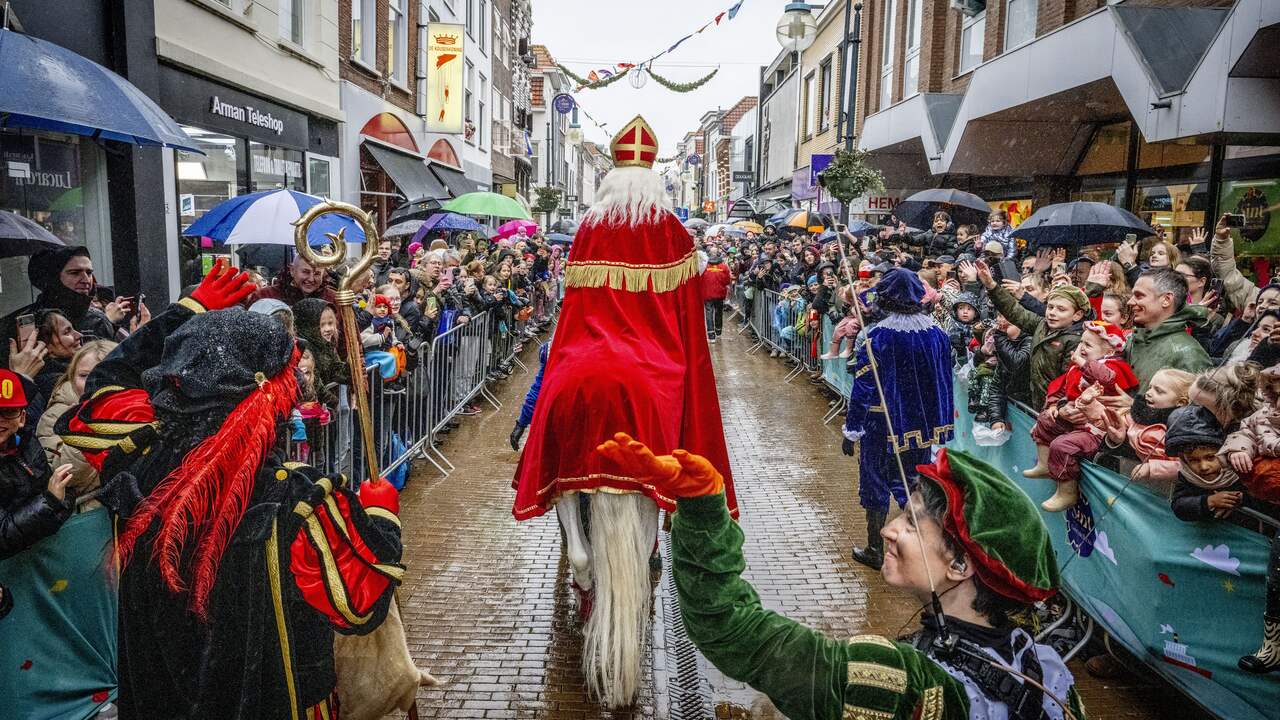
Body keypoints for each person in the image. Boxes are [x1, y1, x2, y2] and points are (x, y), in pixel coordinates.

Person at [56, 260, 406, 718]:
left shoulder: (137, 457)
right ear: (269, 394)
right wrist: (381, 515)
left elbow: (104, 385)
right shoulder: (300, 502)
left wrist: (186, 311)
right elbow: (360, 603)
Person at [596, 435, 1084, 720]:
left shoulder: (897, 678)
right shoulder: (1045, 669)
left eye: (911, 523)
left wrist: (704, 506)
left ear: (960, 566)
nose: (888, 530)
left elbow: (729, 627)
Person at [510, 116, 738, 708]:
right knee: (664, 448)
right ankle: (646, 552)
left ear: (612, 172)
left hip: (584, 367)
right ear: (654, 172)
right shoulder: (674, 233)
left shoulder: (589, 228)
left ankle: (578, 555)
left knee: (558, 405)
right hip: (649, 378)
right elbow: (690, 322)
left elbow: (571, 315)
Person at [842, 269, 954, 569]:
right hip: (921, 426)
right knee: (911, 484)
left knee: (876, 483)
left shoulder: (876, 336)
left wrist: (852, 429)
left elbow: (863, 388)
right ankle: (924, 548)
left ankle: (875, 549)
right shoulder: (938, 334)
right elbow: (943, 381)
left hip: (882, 423)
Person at [1023, 321, 1138, 511]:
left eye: (1088, 345)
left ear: (1110, 350)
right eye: (1081, 342)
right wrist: (1055, 405)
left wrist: (1083, 363)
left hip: (1097, 430)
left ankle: (1067, 492)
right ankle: (1044, 465)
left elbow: (1107, 377)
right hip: (1075, 421)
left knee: (1062, 446)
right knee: (1045, 419)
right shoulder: (1076, 367)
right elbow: (1061, 387)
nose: (1082, 348)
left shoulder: (1114, 366)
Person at [978, 262, 1089, 410]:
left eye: (1061, 309)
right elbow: (1014, 310)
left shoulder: (1076, 341)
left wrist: (1056, 406)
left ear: (1077, 315)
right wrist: (991, 285)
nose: (1052, 313)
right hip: (1038, 404)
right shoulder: (1041, 325)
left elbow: (1068, 381)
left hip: (1056, 409)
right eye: (1050, 307)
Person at [1, 246, 122, 365]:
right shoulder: (23, 322)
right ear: (54, 277)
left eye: (89, 272)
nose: (86, 279)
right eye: (75, 273)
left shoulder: (98, 320)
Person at [0, 368, 74, 558]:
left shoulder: (27, 443)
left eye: (7, 411)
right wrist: (50, 502)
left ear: (22, 418)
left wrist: (57, 500)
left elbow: (59, 494)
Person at [35, 339, 117, 496]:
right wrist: (87, 424)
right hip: (93, 504)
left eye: (104, 374)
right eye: (84, 375)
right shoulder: (56, 414)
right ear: (72, 379)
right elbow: (63, 474)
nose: (93, 382)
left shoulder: (139, 405)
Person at [1125, 268, 1212, 393]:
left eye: (1139, 296)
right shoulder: (1134, 339)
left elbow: (1196, 403)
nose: (1130, 302)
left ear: (1166, 300)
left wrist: (1133, 404)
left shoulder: (1190, 354)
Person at [247, 254, 337, 306]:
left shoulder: (333, 299)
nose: (311, 279)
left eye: (317, 274)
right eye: (306, 272)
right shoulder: (264, 296)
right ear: (292, 271)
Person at [702, 246, 733, 343]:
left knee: (709, 313)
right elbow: (727, 281)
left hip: (707, 293)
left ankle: (711, 336)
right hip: (720, 294)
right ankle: (718, 332)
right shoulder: (724, 267)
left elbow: (700, 279)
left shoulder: (704, 266)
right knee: (719, 312)